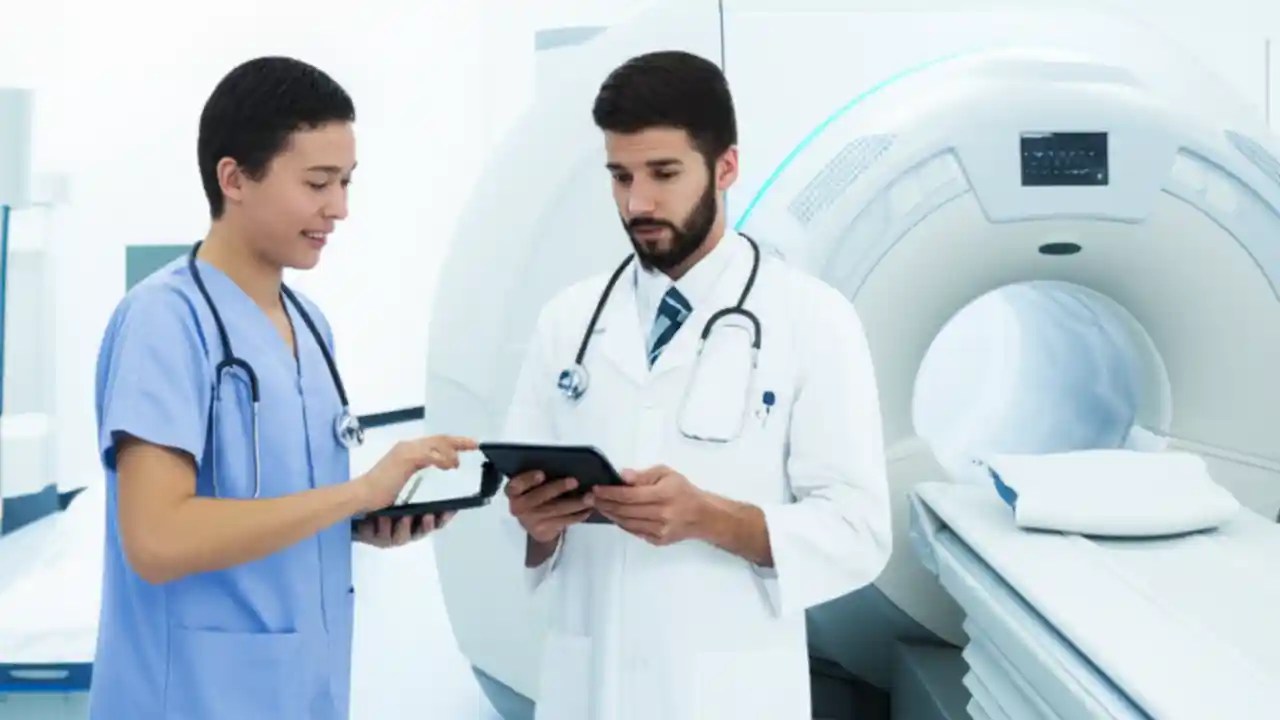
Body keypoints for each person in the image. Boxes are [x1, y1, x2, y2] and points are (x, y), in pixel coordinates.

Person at [502, 50, 893, 719]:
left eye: (663, 173)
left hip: (726, 690)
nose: (637, 202)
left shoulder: (813, 319)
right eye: (620, 176)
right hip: (589, 685)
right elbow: (521, 521)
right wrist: (536, 526)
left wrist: (711, 519)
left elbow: (859, 531)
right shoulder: (567, 320)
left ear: (727, 167)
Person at [89, 56, 476, 719]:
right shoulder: (166, 322)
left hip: (305, 690)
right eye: (319, 183)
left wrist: (359, 521)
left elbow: (274, 505)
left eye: (347, 183)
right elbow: (156, 539)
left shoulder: (308, 325)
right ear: (234, 178)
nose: (340, 209)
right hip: (190, 697)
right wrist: (356, 491)